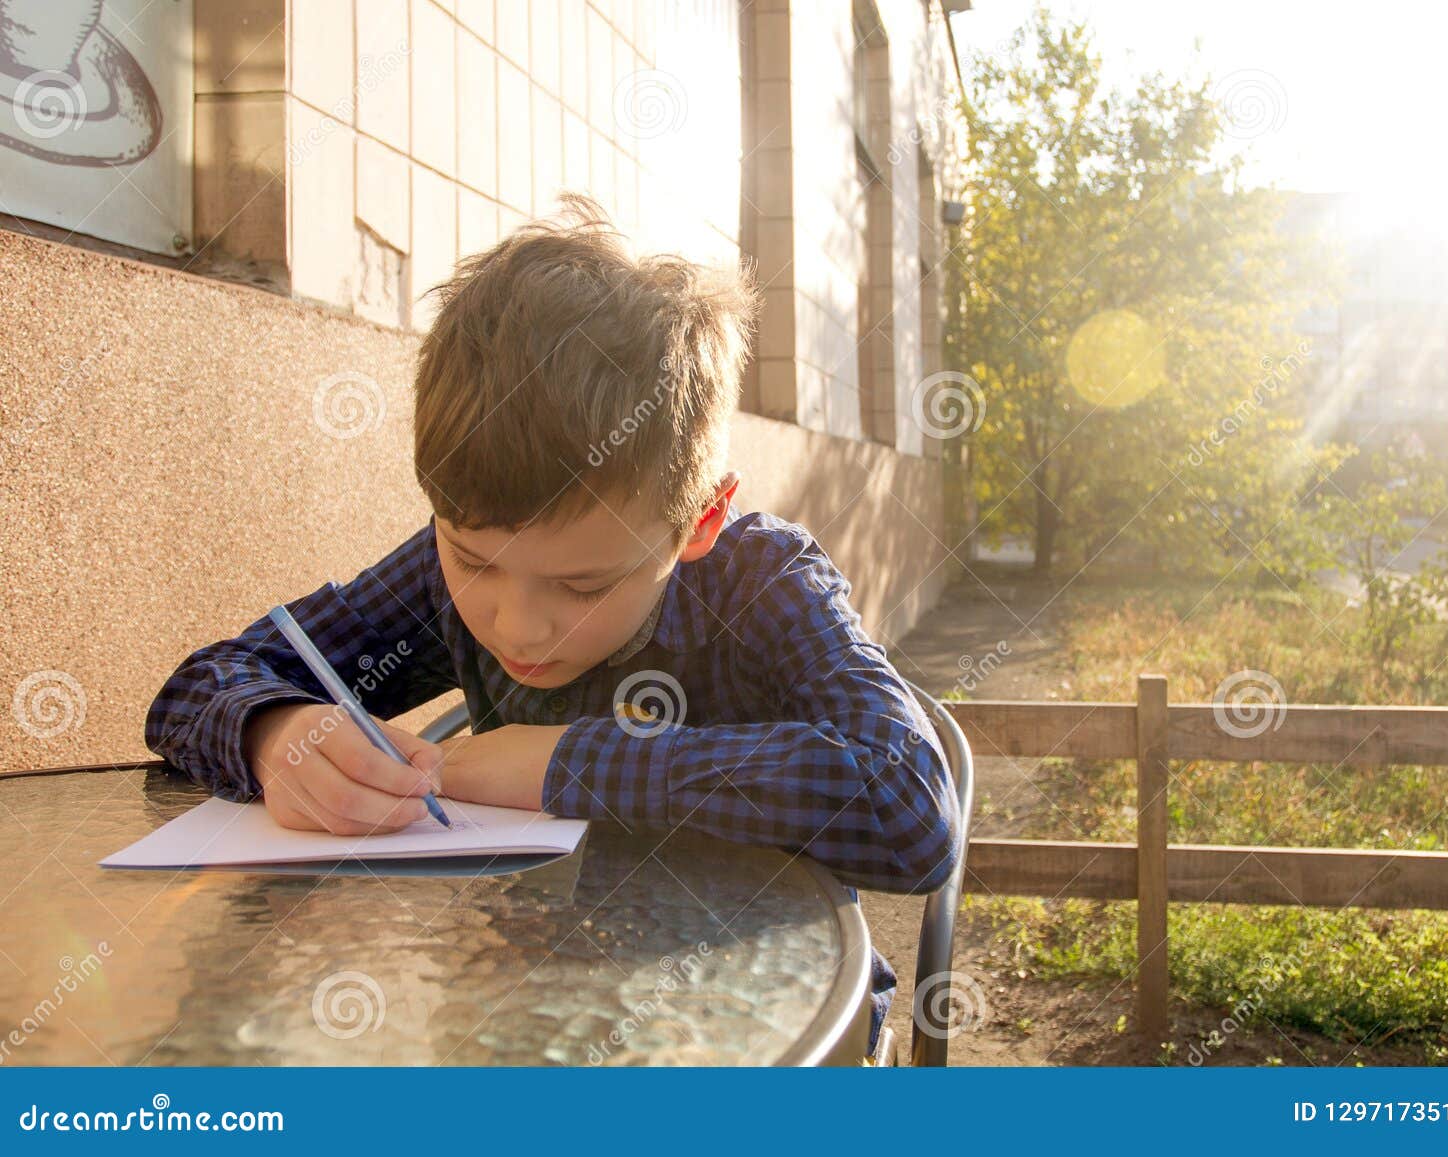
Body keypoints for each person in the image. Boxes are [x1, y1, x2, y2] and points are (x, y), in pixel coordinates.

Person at [144, 192, 959, 1062]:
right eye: (474, 560)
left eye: (582, 582)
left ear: (700, 522)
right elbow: (200, 685)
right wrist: (277, 732)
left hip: (775, 1018)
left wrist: (566, 760)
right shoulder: (437, 569)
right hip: (532, 1003)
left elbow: (909, 808)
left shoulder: (765, 580)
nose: (517, 622)